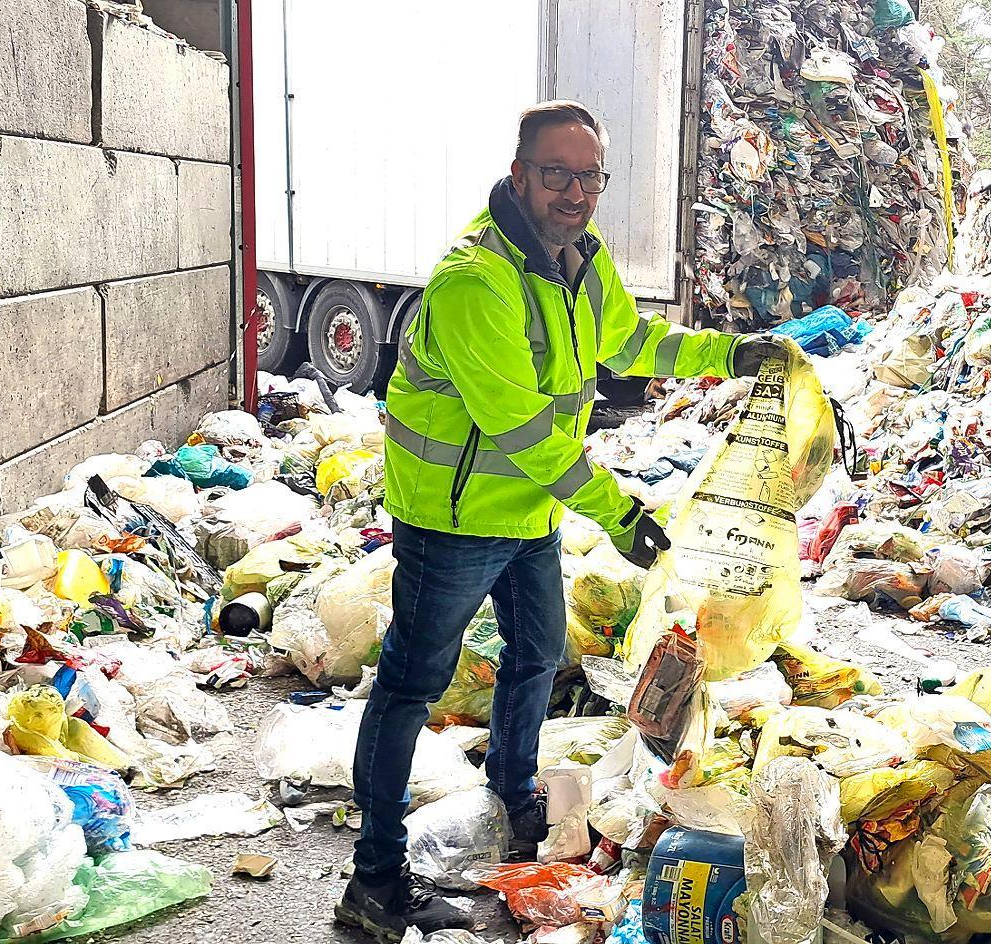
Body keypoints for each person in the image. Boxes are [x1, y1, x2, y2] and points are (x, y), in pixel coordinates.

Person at [335, 99, 784, 940]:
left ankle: (514, 795)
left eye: (589, 176)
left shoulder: (580, 260)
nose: (574, 193)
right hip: (455, 520)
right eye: (556, 174)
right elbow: (526, 432)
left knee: (538, 653)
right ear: (519, 175)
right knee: (409, 688)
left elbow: (631, 344)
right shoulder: (477, 281)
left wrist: (729, 355)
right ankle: (376, 880)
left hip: (528, 515)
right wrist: (616, 513)